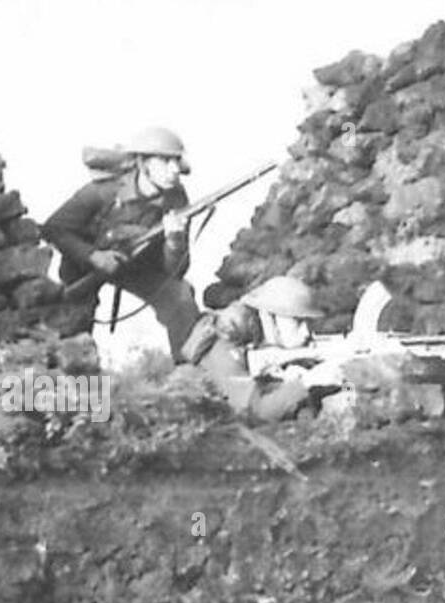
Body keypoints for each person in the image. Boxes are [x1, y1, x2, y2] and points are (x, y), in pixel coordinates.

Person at [42, 126, 200, 357]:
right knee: (72, 321)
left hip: (138, 265)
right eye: (165, 160)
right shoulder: (103, 191)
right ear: (143, 162)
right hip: (85, 264)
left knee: (180, 298)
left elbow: (175, 271)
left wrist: (174, 241)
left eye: (176, 160)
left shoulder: (176, 198)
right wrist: (93, 256)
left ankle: (188, 376)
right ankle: (72, 382)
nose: (174, 169)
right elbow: (54, 228)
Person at [182, 275, 341, 422]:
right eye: (297, 322)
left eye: (308, 323)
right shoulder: (222, 349)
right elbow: (255, 413)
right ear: (268, 317)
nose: (306, 332)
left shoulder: (253, 337)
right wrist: (306, 382)